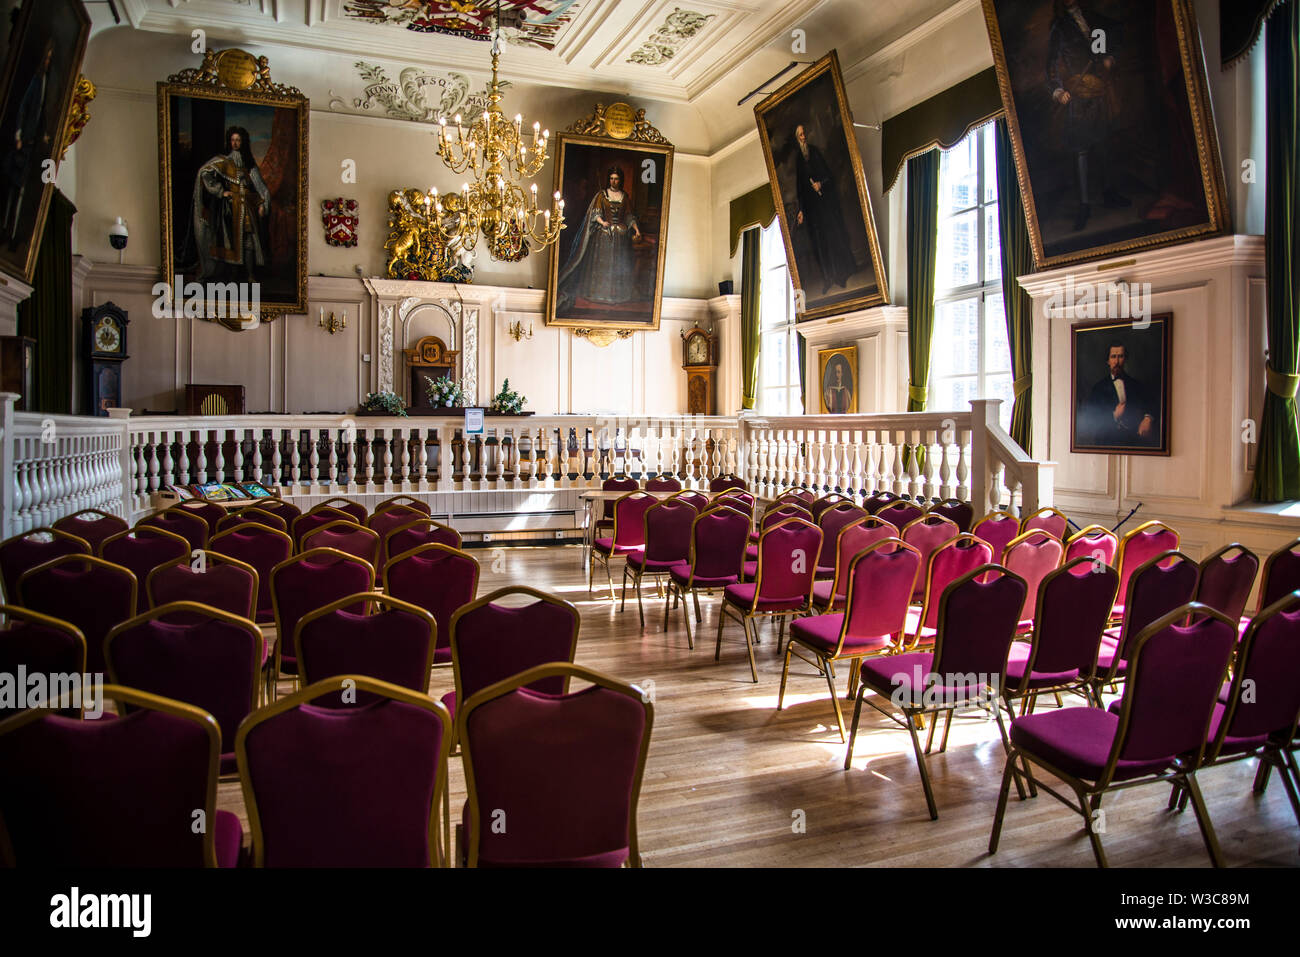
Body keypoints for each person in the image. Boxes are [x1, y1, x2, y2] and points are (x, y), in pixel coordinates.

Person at [1046, 0, 1130, 231]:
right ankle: (1084, 205)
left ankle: (1109, 193)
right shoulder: (1060, 26)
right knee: (1081, 148)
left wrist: (1110, 56)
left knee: (1104, 142)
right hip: (1077, 91)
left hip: (1099, 88)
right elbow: (1052, 63)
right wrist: (1057, 90)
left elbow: (1115, 32)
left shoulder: (1094, 18)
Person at [191, 126, 271, 282]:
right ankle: (232, 278)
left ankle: (249, 275)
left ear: (243, 142)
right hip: (229, 208)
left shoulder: (249, 165)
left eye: (238, 140)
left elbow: (261, 187)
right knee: (231, 243)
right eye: (233, 140)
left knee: (248, 242)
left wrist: (263, 204)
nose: (235, 143)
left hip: (247, 208)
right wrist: (220, 191)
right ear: (229, 141)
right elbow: (203, 173)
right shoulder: (224, 161)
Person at [557, 166, 640, 311]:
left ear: (620, 180)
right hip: (603, 235)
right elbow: (595, 213)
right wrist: (602, 222)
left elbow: (628, 216)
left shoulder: (624, 197)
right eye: (611, 179)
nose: (614, 181)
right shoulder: (602, 195)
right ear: (609, 179)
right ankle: (598, 294)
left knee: (617, 266)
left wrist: (636, 229)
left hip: (620, 237)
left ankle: (617, 295)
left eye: (616, 179)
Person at [792, 123, 856, 294]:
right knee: (819, 244)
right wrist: (801, 210)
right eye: (800, 135)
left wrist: (821, 184)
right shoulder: (799, 160)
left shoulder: (815, 152)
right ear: (797, 139)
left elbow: (829, 175)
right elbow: (800, 188)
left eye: (804, 133)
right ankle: (828, 277)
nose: (803, 137)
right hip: (812, 209)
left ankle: (840, 274)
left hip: (825, 203)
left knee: (832, 238)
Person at [1, 41, 54, 247]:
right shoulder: (36, 81)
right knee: (12, 186)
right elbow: (23, 108)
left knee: (22, 191)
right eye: (47, 58)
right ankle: (5, 229)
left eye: (51, 59)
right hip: (23, 142)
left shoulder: (49, 84)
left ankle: (13, 233)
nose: (49, 62)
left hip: (33, 145)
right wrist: (19, 135)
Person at [1080, 341, 1157, 447]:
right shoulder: (1098, 388)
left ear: (1125, 359)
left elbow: (1151, 404)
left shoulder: (1136, 385)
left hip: (1133, 442)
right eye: (1113, 357)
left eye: (1120, 356)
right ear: (1108, 361)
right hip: (1107, 443)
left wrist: (1148, 418)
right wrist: (1114, 415)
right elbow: (1090, 420)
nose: (1116, 361)